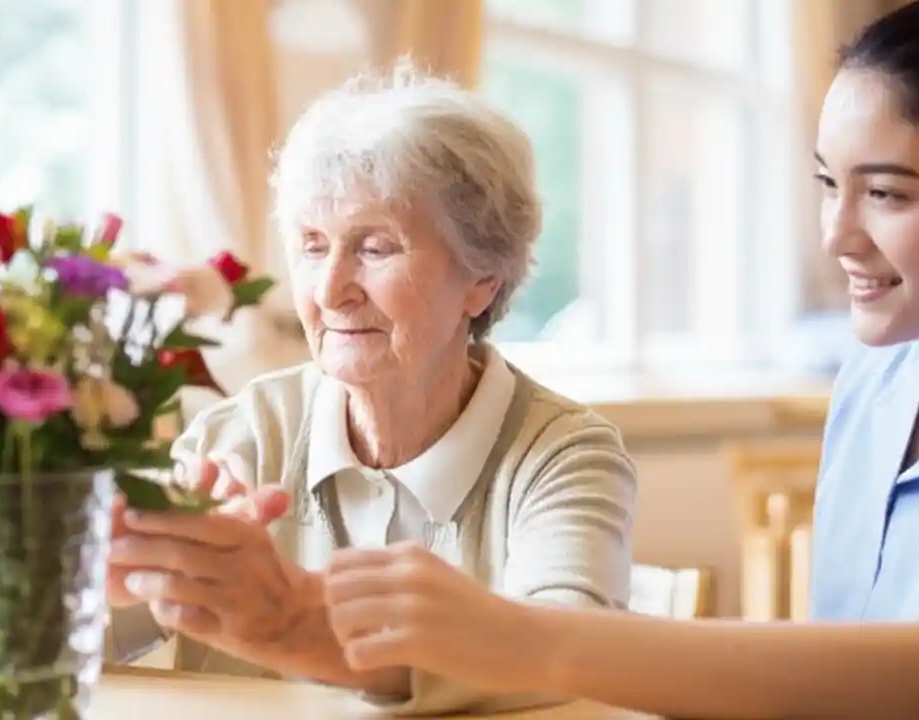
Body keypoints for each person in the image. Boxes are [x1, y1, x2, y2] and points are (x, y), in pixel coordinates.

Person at [319, 1, 919, 717]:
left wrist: (515, 636)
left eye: (886, 193)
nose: (836, 235)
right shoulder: (883, 378)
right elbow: (832, 672)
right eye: (829, 185)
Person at [102, 64, 637, 715]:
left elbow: (572, 662)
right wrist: (114, 572)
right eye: (311, 246)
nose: (330, 291)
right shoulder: (241, 433)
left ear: (484, 279)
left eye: (376, 248)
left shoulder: (564, 458)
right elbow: (93, 644)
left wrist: (289, 624)